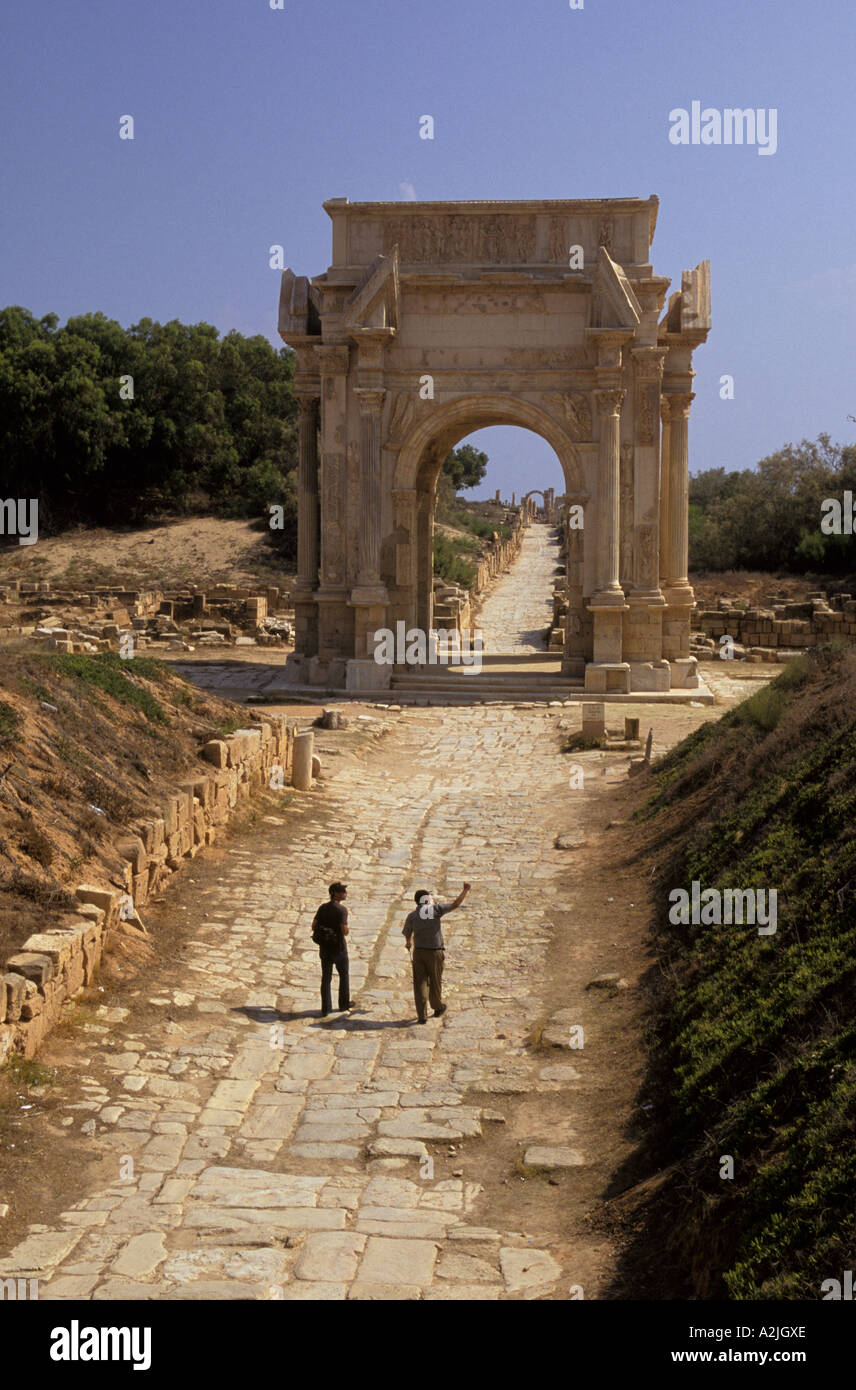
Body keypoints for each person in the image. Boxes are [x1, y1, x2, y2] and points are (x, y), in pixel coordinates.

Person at [402, 883, 471, 1024]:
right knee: (435, 981)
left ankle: (422, 1016)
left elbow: (407, 934)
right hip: (434, 952)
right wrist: (465, 890)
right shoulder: (436, 910)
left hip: (419, 952)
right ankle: (437, 1007)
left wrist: (408, 943)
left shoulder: (412, 916)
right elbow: (455, 904)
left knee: (420, 983)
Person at [311, 882, 354, 1017]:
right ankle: (343, 1004)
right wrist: (345, 930)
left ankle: (326, 1008)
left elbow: (314, 926)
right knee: (344, 975)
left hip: (325, 948)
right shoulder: (341, 910)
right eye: (342, 892)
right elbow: (344, 930)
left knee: (326, 978)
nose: (345, 894)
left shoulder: (322, 908)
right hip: (339, 948)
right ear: (336, 894)